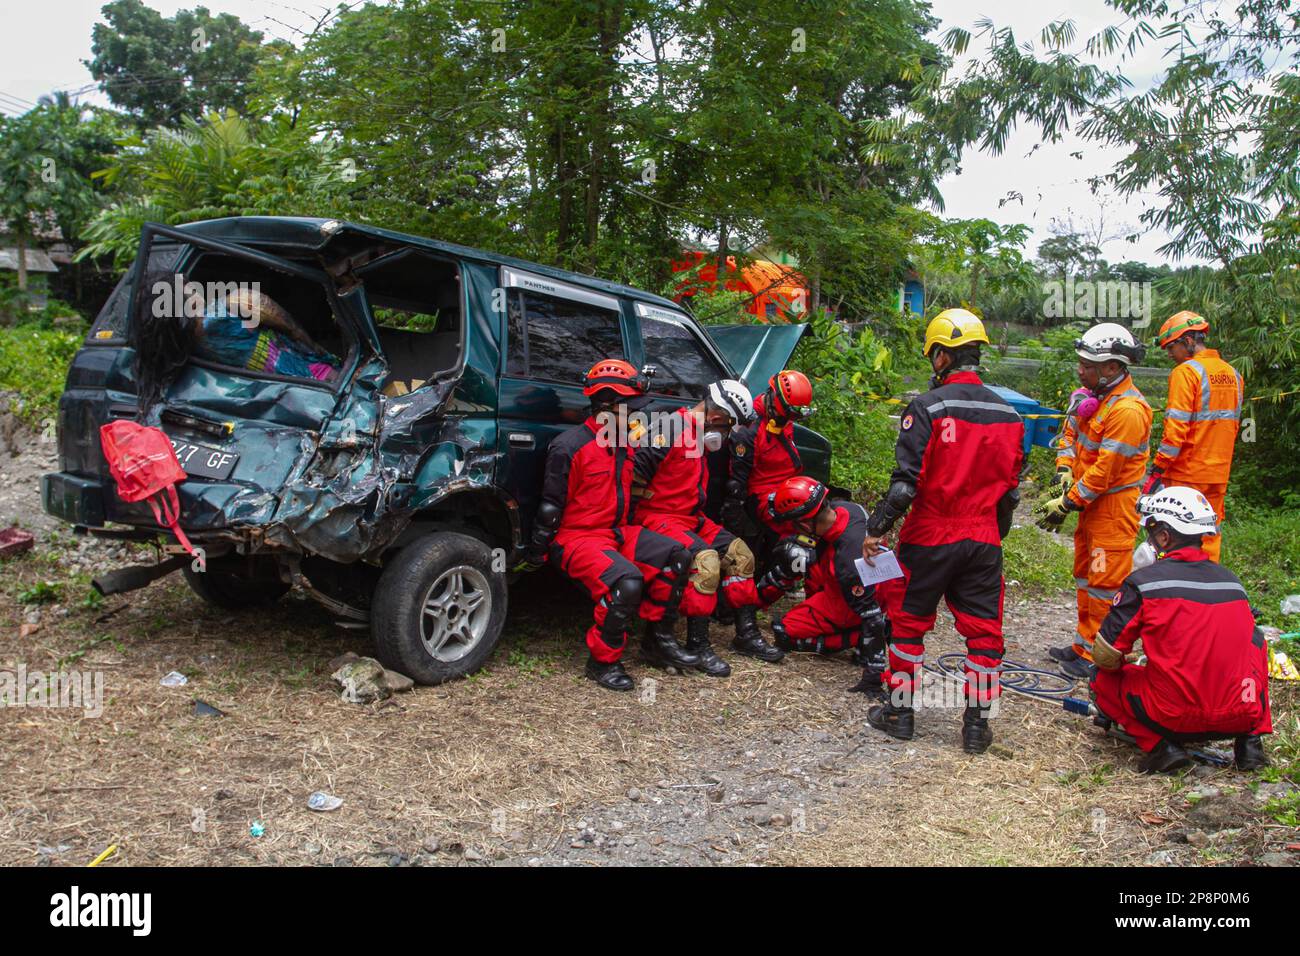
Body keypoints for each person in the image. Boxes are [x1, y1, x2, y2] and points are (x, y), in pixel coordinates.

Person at [860, 308, 1025, 754]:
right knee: (985, 634)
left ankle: (900, 713)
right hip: (984, 539)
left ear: (940, 357)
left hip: (930, 535)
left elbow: (904, 485)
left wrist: (876, 529)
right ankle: (976, 727)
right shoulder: (1010, 415)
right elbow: (1010, 493)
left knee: (909, 626)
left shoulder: (928, 407)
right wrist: (993, 536)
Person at [515, 358, 697, 691]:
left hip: (614, 533)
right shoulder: (570, 446)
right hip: (577, 538)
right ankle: (603, 662)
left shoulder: (624, 442)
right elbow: (550, 506)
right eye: (633, 407)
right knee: (626, 582)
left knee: (679, 556)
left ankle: (656, 644)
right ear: (606, 406)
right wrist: (537, 552)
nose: (641, 415)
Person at [1089, 486, 1271, 773]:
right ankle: (1250, 744)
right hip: (1240, 713)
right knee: (1256, 642)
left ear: (1164, 536)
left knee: (1101, 678)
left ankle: (1162, 748)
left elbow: (1106, 655)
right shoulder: (1232, 583)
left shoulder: (1145, 583)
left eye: (1151, 533)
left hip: (1172, 715)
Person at [632, 380, 783, 674]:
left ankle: (746, 634)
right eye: (729, 427)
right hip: (658, 517)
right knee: (706, 561)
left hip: (690, 517)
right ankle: (697, 644)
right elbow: (635, 472)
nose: (728, 435)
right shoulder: (670, 430)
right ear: (716, 419)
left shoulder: (698, 433)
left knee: (741, 555)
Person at [1038, 322, 1152, 680]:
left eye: (1088, 365)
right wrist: (1064, 472)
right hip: (1090, 505)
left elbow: (1105, 472)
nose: (1080, 370)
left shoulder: (1128, 412)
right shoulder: (1091, 399)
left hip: (1112, 511)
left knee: (1104, 584)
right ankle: (1081, 644)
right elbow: (1069, 435)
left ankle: (1098, 657)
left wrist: (1068, 503)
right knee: (1086, 576)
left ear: (1113, 368)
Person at [751, 476, 890, 676]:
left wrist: (872, 657)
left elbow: (870, 613)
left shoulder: (848, 560)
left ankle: (854, 636)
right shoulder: (847, 509)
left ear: (805, 524)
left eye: (793, 524)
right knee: (798, 556)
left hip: (851, 597)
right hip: (872, 581)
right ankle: (755, 601)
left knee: (784, 633)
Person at [1144, 311, 1243, 562]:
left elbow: (1175, 431)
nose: (1169, 354)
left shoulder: (1186, 372)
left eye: (1171, 346)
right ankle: (1208, 585)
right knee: (1210, 531)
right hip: (1219, 472)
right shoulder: (1233, 374)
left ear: (1188, 340)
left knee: (1176, 533)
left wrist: (1157, 469)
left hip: (1187, 472)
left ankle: (1178, 590)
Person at [721, 369, 813, 553]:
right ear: (776, 402)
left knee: (818, 506)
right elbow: (737, 483)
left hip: (788, 484)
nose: (790, 420)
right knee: (794, 535)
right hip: (763, 494)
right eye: (790, 414)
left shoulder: (780, 419)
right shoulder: (749, 431)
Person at [193, 288, 341, 382]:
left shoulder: (188, 342)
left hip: (259, 379)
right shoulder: (218, 315)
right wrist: (310, 344)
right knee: (325, 374)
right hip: (277, 357)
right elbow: (272, 319)